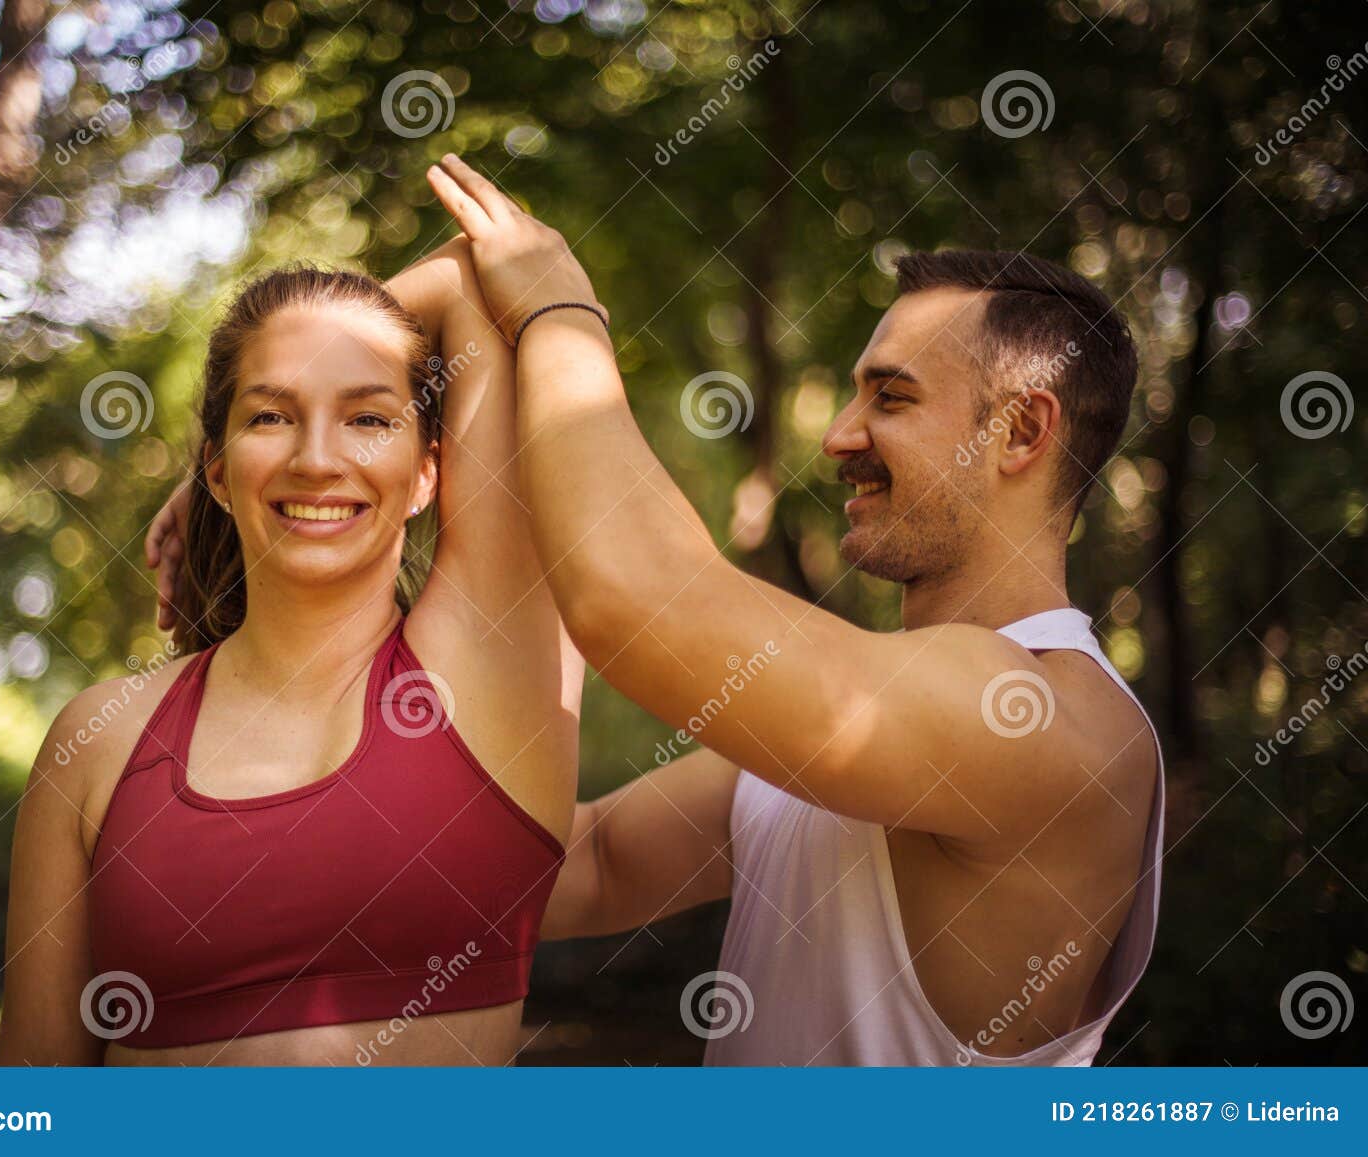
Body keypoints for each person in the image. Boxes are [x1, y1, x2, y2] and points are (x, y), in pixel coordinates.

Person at [425, 155, 1163, 1066]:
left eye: (891, 397)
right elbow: (583, 860)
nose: (839, 436)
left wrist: (560, 313)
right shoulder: (873, 723)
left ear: (1020, 431)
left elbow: (639, 603)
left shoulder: (1046, 719)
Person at [0, 240, 581, 1066]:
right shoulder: (99, 741)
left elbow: (490, 275)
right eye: (269, 416)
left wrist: (320, 325)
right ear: (217, 472)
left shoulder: (488, 672)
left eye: (370, 418)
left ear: (426, 475)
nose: (314, 459)